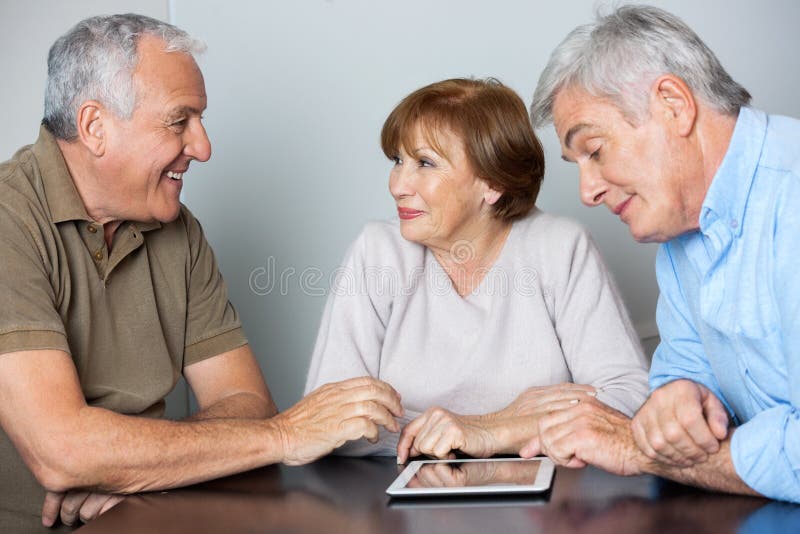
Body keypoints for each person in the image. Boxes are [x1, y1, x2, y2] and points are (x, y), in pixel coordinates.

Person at [0, 14, 402, 531]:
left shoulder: (177, 229)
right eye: (179, 121)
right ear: (95, 127)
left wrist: (131, 473)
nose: (203, 148)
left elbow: (247, 402)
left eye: (200, 120)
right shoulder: (9, 220)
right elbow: (62, 450)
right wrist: (286, 436)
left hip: (145, 519)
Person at [521, 4, 800, 503]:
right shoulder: (679, 235)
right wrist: (679, 405)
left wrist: (640, 450)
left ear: (673, 104)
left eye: (594, 150)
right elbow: (678, 381)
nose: (587, 191)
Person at [304, 78, 649, 463]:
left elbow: (629, 395)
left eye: (425, 163)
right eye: (398, 161)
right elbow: (327, 423)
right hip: (397, 493)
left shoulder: (559, 246)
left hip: (546, 495)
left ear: (492, 183)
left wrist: (494, 430)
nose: (398, 185)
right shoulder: (378, 251)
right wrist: (486, 427)